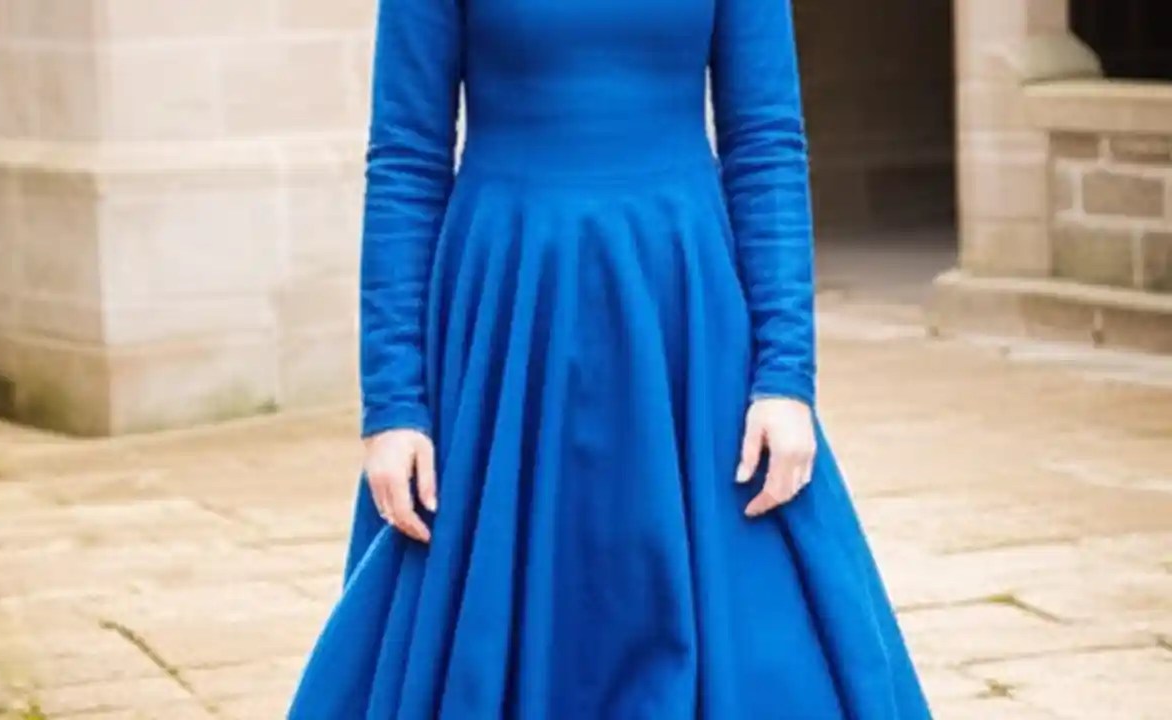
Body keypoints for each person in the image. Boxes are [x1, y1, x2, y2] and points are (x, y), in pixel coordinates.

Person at [290, 0, 931, 716]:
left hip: (684, 313)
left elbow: (766, 142)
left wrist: (785, 376)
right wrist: (395, 402)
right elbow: (406, 158)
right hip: (508, 319)